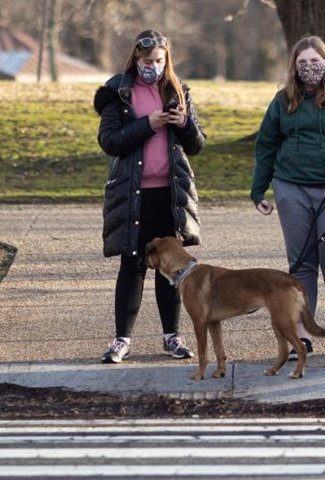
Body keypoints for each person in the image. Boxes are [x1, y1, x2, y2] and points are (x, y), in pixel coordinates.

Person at [251, 35, 325, 359]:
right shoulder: (283, 100)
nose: (309, 67)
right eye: (302, 62)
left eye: (315, 61)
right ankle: (302, 335)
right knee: (302, 262)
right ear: (294, 66)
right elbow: (266, 145)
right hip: (290, 187)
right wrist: (258, 189)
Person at [93, 30, 206, 364]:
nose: (153, 67)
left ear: (166, 60)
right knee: (133, 263)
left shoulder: (177, 89)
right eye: (147, 61)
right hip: (132, 193)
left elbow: (197, 144)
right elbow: (109, 141)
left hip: (171, 194)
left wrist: (183, 124)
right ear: (136, 59)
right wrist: (148, 124)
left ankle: (172, 336)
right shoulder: (118, 92)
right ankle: (122, 340)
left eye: (158, 61)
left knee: (171, 266)